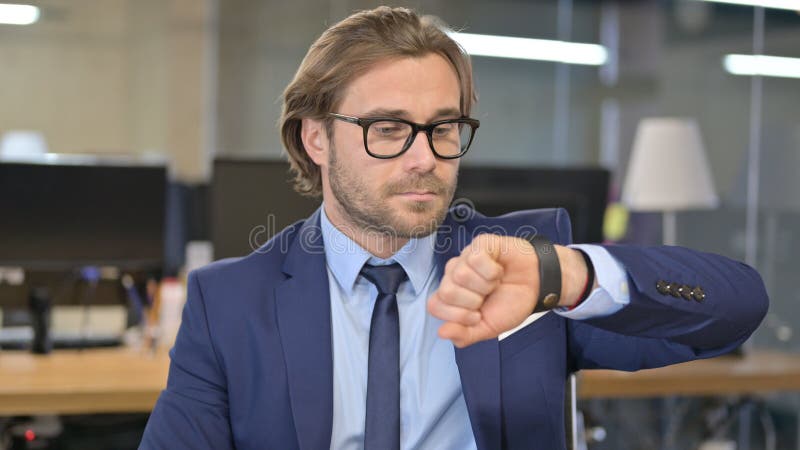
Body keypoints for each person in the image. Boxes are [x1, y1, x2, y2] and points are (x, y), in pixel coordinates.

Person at [140, 6, 768, 450]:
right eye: (387, 129)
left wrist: (565, 275)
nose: (425, 157)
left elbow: (737, 307)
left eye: (443, 128)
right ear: (316, 138)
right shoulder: (229, 301)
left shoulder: (517, 272)